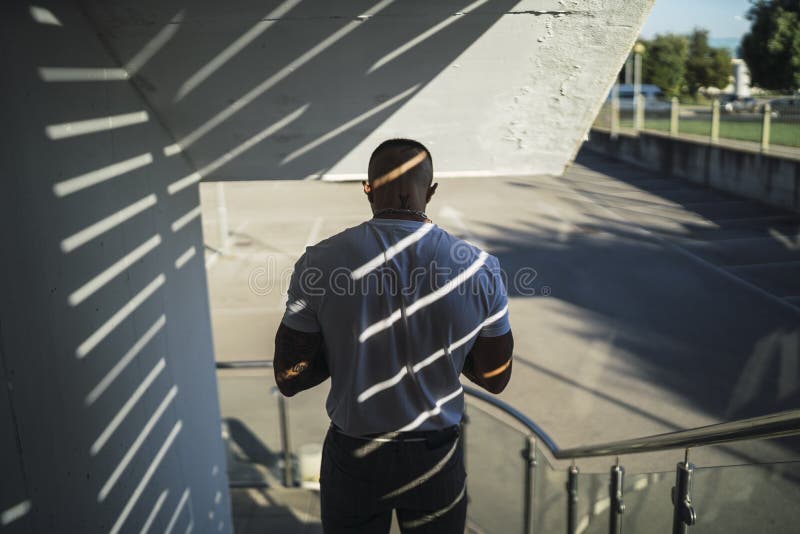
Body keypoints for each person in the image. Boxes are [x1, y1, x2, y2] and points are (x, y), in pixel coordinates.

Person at [273, 138, 513, 533]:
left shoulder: (320, 261)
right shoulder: (479, 268)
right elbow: (496, 378)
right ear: (431, 190)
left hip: (354, 454)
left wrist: (345, 350)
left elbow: (289, 378)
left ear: (367, 189)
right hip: (434, 454)